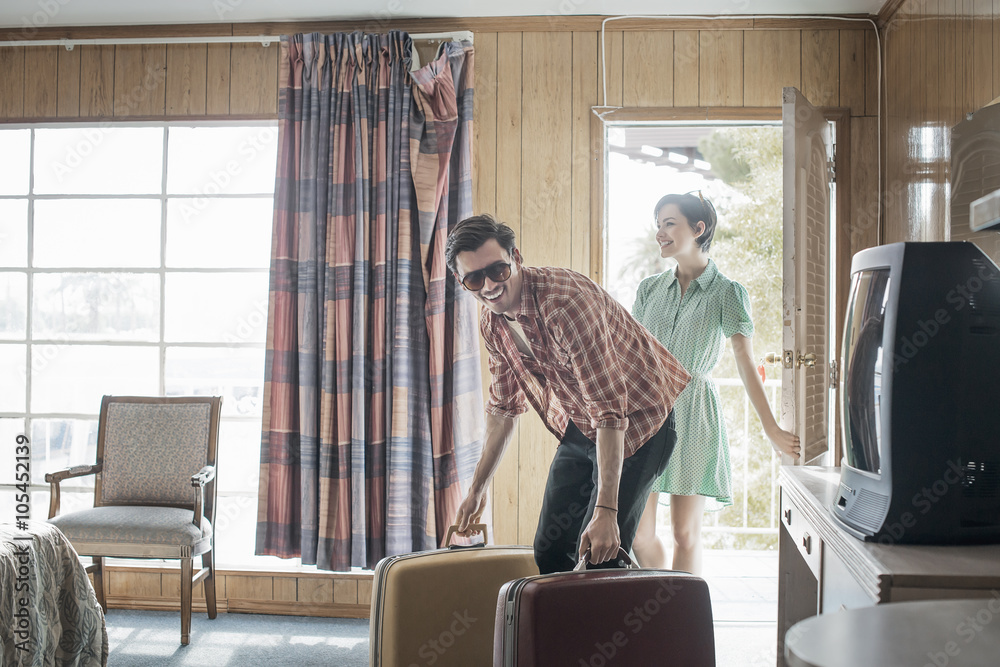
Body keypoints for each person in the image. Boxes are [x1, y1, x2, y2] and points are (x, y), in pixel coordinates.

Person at [447, 214, 691, 574]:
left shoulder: (565, 303)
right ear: (461, 280)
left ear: (516, 257)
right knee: (550, 550)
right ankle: (569, 629)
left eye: (497, 270)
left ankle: (644, 619)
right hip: (583, 423)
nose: (489, 286)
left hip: (640, 421)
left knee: (600, 556)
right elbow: (502, 411)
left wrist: (606, 510)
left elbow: (610, 410)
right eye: (474, 278)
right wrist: (476, 490)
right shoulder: (492, 323)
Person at [630, 192, 801, 575]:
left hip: (694, 415)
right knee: (638, 533)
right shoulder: (649, 290)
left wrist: (771, 428)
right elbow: (631, 354)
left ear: (698, 228)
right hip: (646, 413)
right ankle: (662, 597)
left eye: (669, 223)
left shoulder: (727, 292)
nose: (660, 232)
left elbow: (745, 361)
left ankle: (679, 618)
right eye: (658, 223)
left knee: (685, 535)